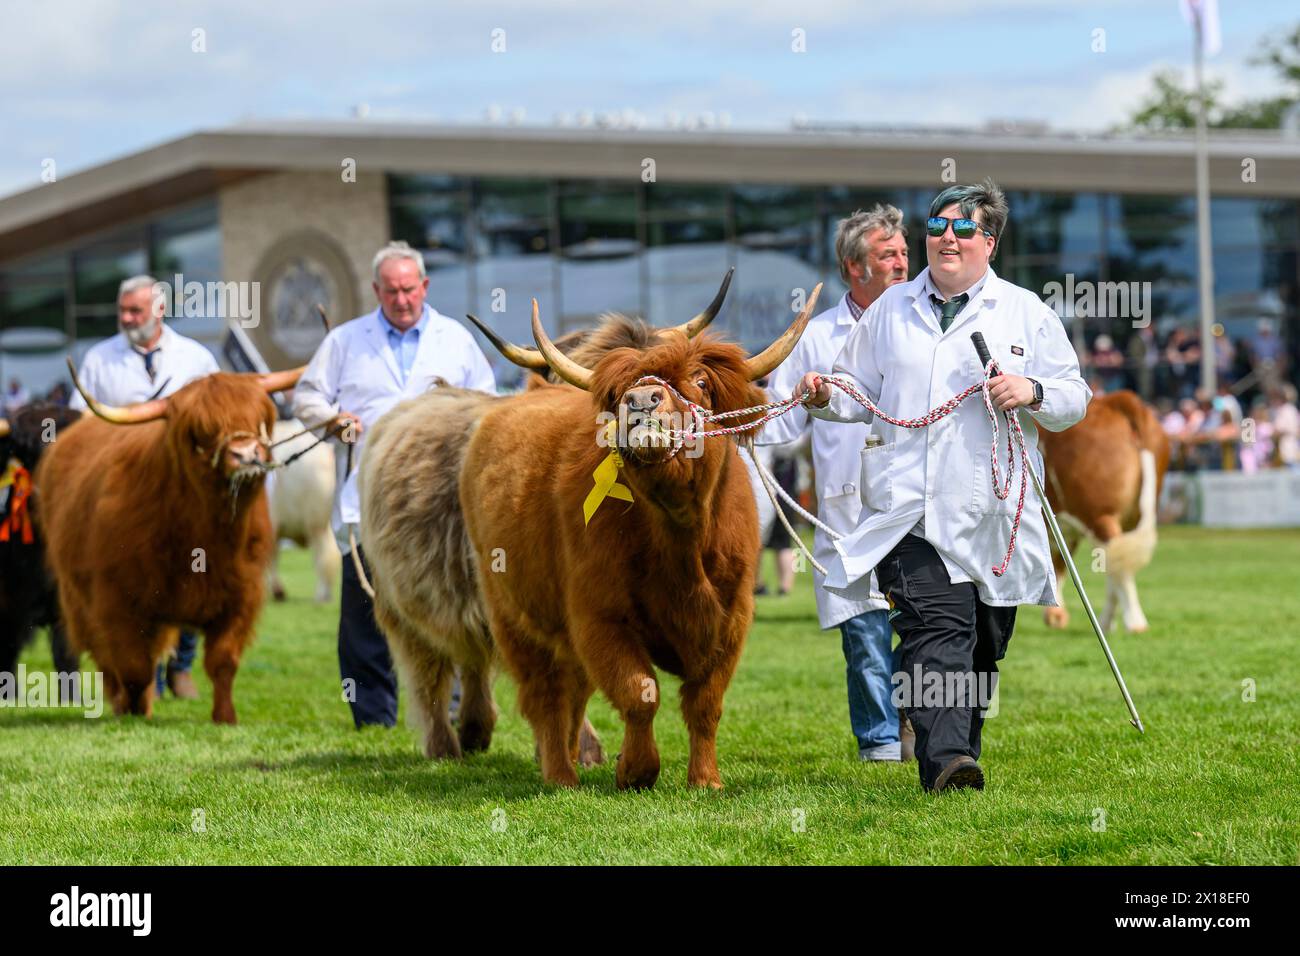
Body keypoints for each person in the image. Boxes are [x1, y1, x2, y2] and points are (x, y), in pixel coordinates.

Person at [795, 180, 1090, 791]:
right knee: (936, 626)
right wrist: (826, 395)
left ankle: (956, 738)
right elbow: (856, 389)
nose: (945, 238)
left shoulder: (1025, 312)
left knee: (983, 639)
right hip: (908, 508)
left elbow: (1073, 398)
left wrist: (1030, 391)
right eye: (935, 227)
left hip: (992, 512)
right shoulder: (889, 309)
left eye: (961, 228)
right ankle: (948, 762)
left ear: (990, 241)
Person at [293, 241, 496, 728]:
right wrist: (331, 419)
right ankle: (373, 717)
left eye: (409, 289)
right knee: (365, 618)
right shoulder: (345, 341)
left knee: (449, 599)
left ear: (424, 286)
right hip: (367, 502)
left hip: (443, 504)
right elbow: (306, 397)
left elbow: (490, 408)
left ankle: (451, 706)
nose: (401, 299)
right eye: (391, 291)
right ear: (375, 290)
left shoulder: (455, 340)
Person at [762, 204, 913, 762]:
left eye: (902, 253)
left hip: (921, 506)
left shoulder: (931, 324)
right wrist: (725, 419)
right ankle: (880, 743)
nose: (901, 264)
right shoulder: (818, 336)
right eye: (886, 255)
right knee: (867, 633)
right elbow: (778, 420)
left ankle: (921, 725)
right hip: (847, 512)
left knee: (927, 626)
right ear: (855, 267)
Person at [71, 275, 219, 700]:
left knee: (193, 571)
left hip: (187, 490)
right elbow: (79, 423)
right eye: (122, 311)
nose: (126, 318)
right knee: (137, 577)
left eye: (134, 310)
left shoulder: (196, 358)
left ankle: (182, 665)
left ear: (159, 310)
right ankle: (147, 670)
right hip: (126, 491)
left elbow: (216, 417)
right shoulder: (99, 358)